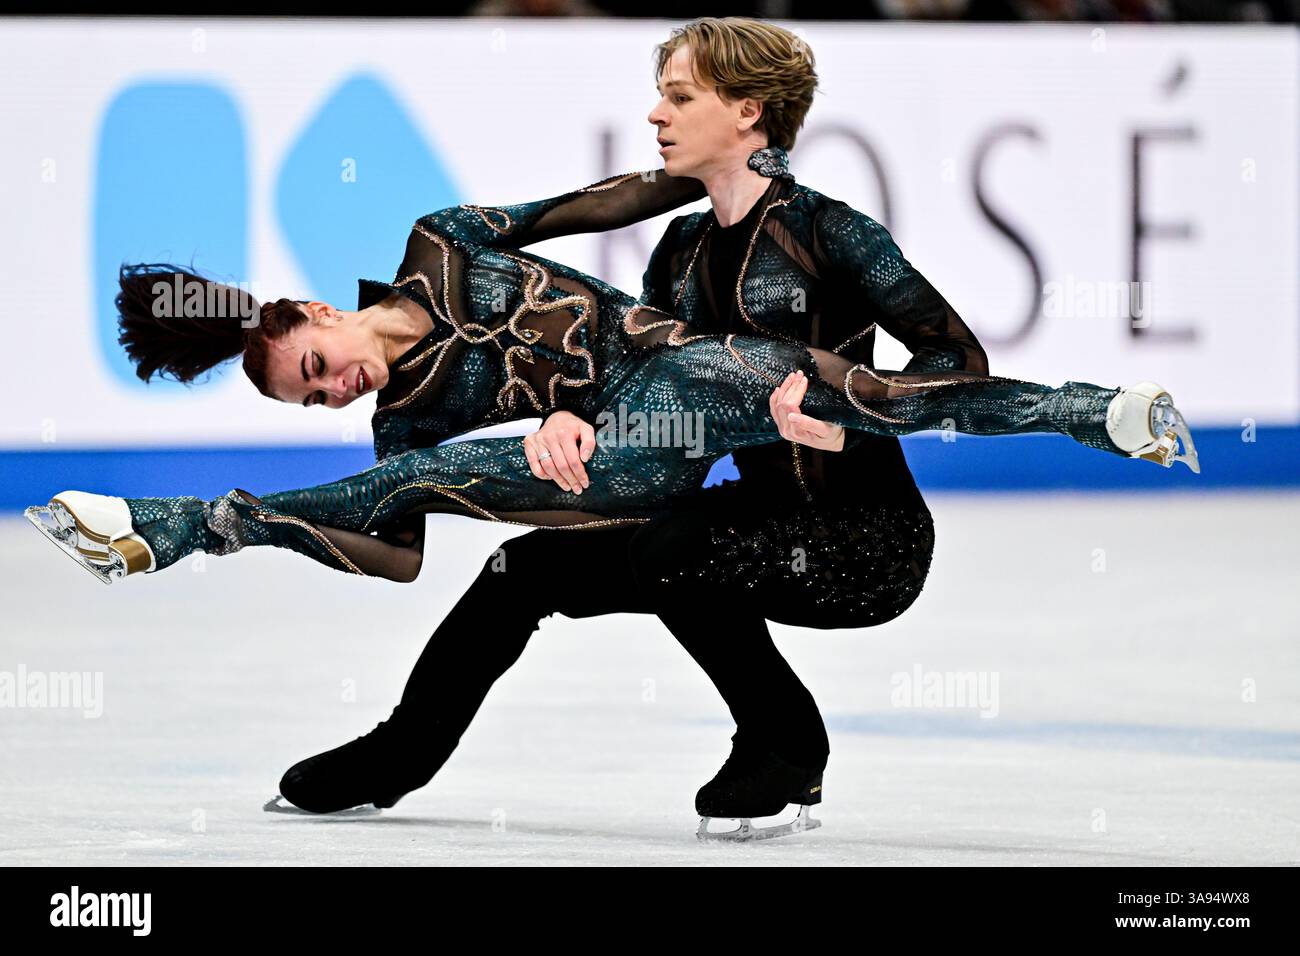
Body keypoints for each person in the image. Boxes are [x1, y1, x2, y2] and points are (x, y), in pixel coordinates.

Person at [28, 148, 1197, 836]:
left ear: (320, 314)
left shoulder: (447, 243)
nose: (334, 391)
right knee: (484, 528)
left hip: (755, 450)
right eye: (312, 403)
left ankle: (188, 528)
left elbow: (589, 211)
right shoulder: (407, 415)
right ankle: (396, 749)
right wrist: (534, 452)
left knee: (801, 442)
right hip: (656, 461)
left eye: (316, 370)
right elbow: (401, 544)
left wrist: (690, 172)